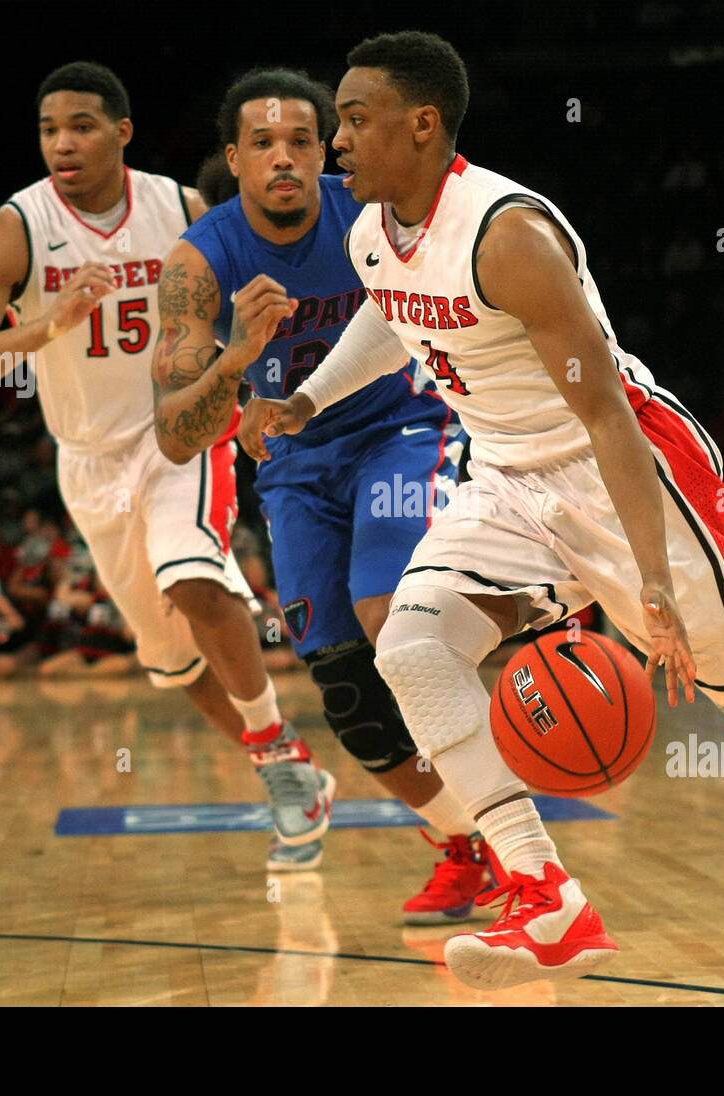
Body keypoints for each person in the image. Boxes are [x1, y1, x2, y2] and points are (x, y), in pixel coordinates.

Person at [244, 31, 724, 989]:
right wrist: (308, 400)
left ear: (424, 124)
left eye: (356, 121)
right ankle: (545, 892)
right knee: (409, 647)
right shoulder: (372, 231)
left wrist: (648, 580)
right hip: (507, 477)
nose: (336, 141)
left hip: (626, 470)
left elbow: (606, 411)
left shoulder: (508, 236)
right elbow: (390, 307)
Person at [0, 61, 332, 869]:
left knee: (191, 575)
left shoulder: (181, 208)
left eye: (80, 126)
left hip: (177, 432)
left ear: (123, 133)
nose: (62, 143)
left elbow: (265, 301)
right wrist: (46, 325)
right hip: (87, 460)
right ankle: (280, 757)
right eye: (47, 130)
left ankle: (282, 766)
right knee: (172, 661)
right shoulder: (15, 231)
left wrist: (255, 393)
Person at [156, 66, 495, 915]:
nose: (285, 159)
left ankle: (523, 725)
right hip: (296, 467)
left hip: (400, 431)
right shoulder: (201, 262)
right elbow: (175, 435)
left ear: (327, 151)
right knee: (344, 688)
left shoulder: (371, 209)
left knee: (390, 617)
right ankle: (466, 842)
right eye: (263, 143)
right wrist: (236, 357)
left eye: (303, 141)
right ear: (232, 159)